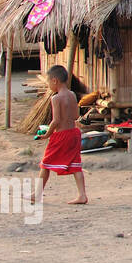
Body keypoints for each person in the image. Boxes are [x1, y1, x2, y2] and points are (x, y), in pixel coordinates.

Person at [34, 65, 87, 205]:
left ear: (55, 81)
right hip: (74, 133)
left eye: (48, 82)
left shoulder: (56, 98)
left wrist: (46, 134)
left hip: (61, 135)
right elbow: (76, 115)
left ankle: (37, 194)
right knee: (76, 164)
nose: (49, 85)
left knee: (45, 164)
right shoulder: (72, 95)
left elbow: (56, 120)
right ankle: (82, 195)